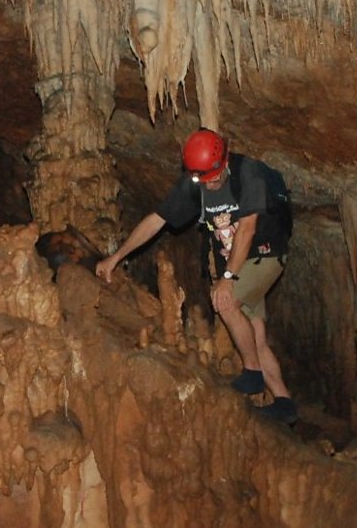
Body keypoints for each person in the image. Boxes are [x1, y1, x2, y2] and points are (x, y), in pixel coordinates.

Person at [95, 128, 297, 423]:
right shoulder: (195, 184)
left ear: (225, 160)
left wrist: (227, 277)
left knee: (225, 302)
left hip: (265, 254)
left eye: (214, 176)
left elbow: (248, 229)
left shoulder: (248, 173)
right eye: (205, 179)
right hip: (236, 264)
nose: (211, 184)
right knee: (256, 334)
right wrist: (116, 257)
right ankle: (284, 402)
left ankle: (252, 373)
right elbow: (157, 220)